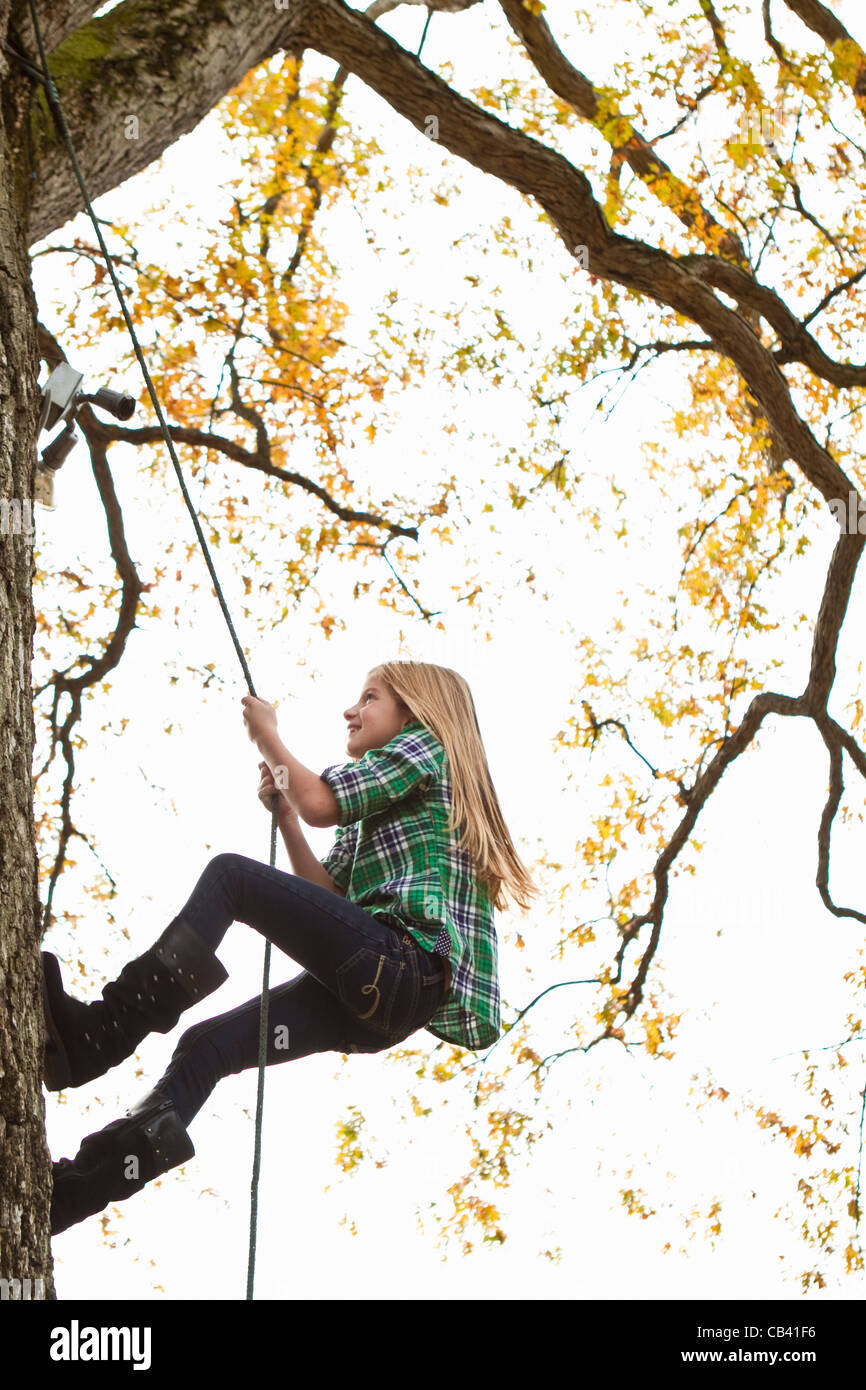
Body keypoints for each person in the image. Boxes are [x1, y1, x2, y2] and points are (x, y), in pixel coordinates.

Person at [44, 661, 537, 1235]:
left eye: (369, 697)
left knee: (230, 878)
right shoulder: (376, 814)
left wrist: (268, 736)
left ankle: (100, 1034)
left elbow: (323, 801)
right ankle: (79, 1191)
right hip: (375, 1001)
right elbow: (327, 898)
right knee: (207, 1046)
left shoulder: (424, 747)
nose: (351, 711)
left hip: (401, 967)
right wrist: (287, 821)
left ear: (414, 711)